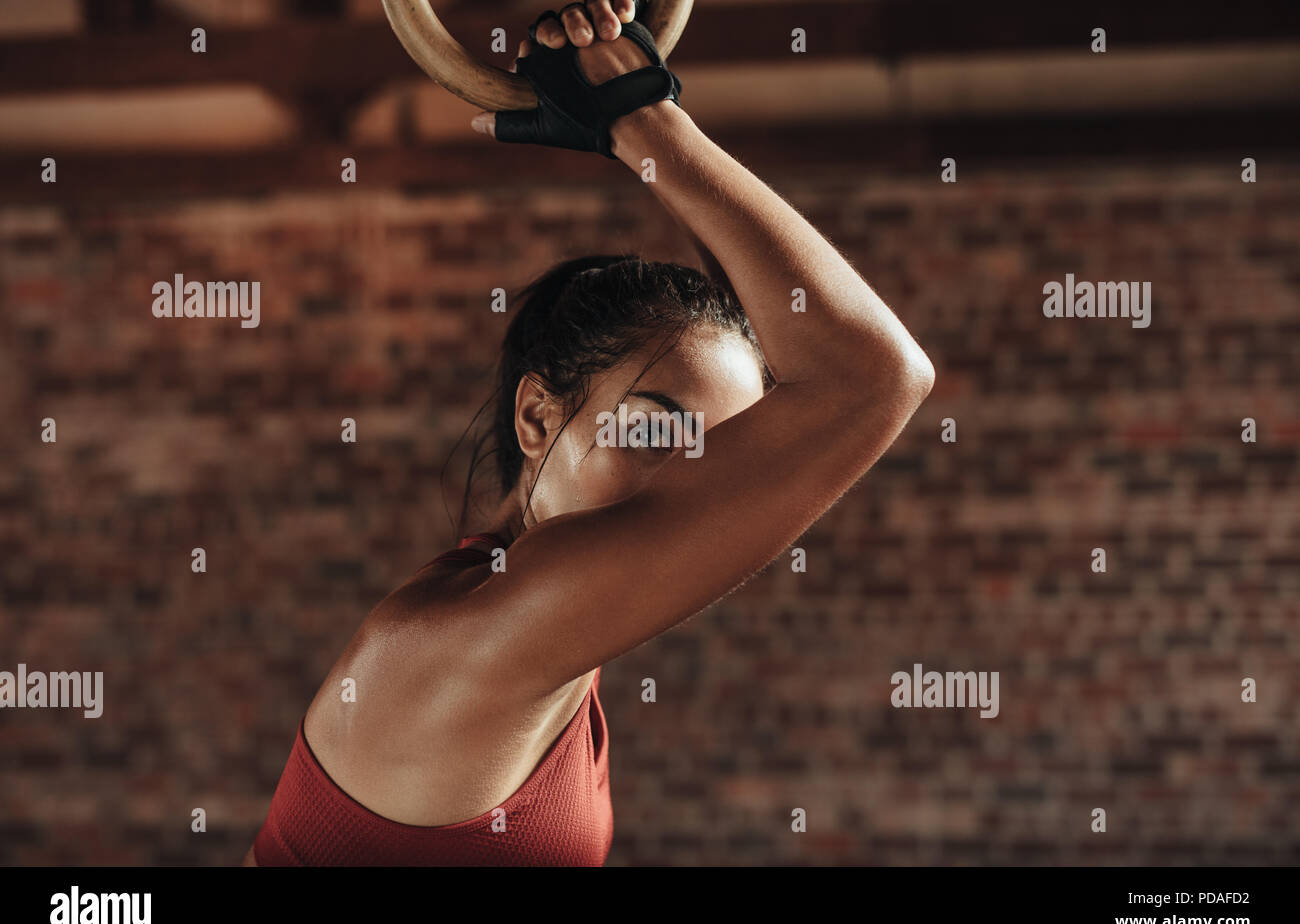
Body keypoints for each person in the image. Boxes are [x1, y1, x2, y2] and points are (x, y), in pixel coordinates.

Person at [246, 0, 934, 866]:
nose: (699, 481)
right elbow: (878, 375)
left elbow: (811, 358)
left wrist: (642, 134)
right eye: (657, 433)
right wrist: (642, 120)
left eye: (720, 449)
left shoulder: (550, 604)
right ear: (538, 417)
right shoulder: (488, 630)